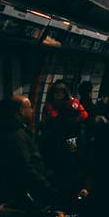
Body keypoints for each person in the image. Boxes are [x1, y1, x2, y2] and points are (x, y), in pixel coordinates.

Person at [0, 94, 58, 210]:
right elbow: (24, 167)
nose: (32, 111)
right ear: (21, 111)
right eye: (30, 107)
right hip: (19, 194)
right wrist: (49, 190)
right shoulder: (15, 134)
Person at [38, 80, 90, 209]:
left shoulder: (80, 129)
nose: (75, 119)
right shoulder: (57, 131)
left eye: (62, 90)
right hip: (61, 176)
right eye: (57, 90)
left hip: (74, 176)